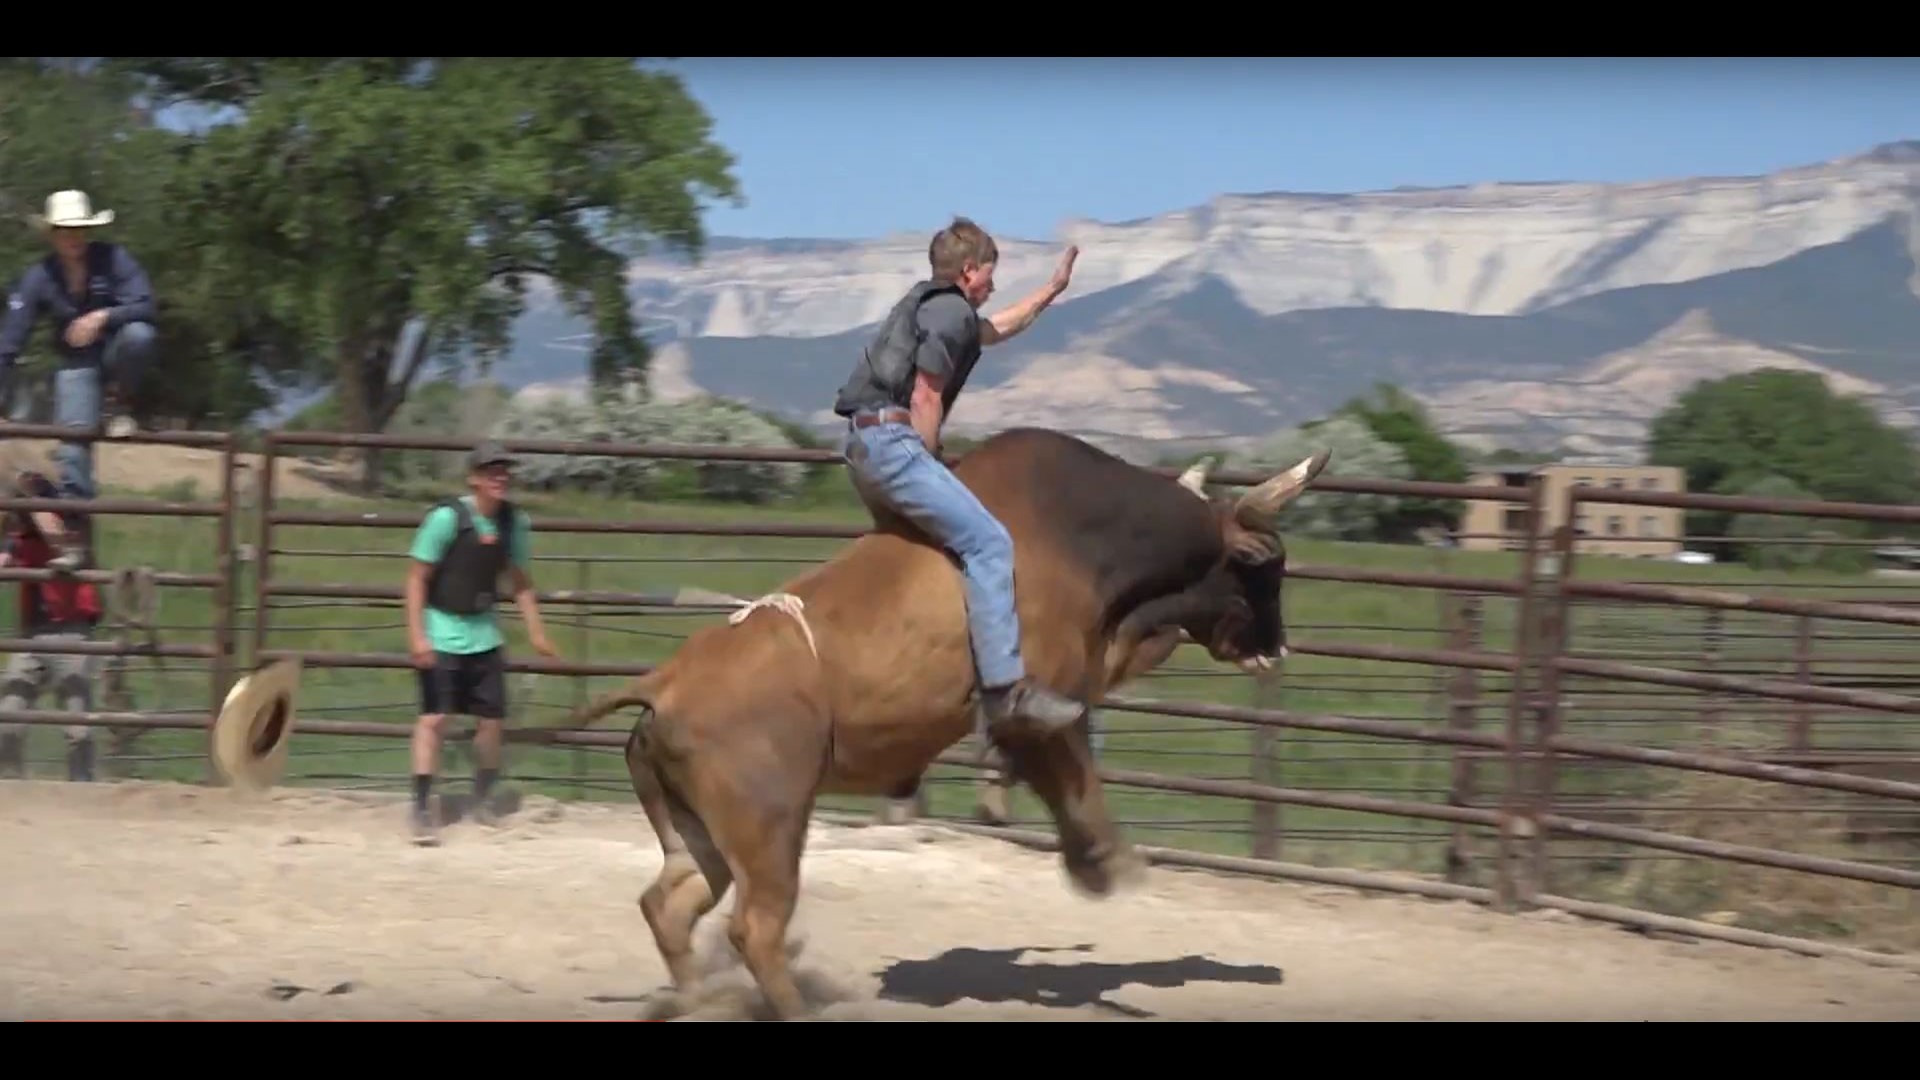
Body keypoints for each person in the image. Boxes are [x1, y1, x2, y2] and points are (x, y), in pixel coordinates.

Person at [830, 216, 1084, 737]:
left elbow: (997, 329)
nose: (993, 285)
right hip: (893, 444)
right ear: (970, 271)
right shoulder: (950, 312)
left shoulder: (938, 306)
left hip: (865, 445)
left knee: (917, 561)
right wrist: (927, 459)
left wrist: (1052, 291)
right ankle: (1004, 693)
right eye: (991, 274)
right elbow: (926, 394)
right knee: (990, 545)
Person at [402, 442, 557, 845]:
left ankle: (483, 797)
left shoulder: (512, 523)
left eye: (504, 471)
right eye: (491, 471)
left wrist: (537, 632)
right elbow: (417, 577)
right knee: (435, 719)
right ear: (474, 477)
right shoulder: (446, 519)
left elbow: (519, 581)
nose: (500, 477)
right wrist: (418, 636)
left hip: (484, 632)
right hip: (441, 628)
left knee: (491, 723)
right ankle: (420, 806)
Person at [0, 190, 159, 571]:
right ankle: (73, 537)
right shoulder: (39, 277)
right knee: (73, 446)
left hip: (114, 349)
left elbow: (147, 305)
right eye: (65, 230)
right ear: (52, 233)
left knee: (140, 335)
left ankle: (120, 404)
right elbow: (9, 341)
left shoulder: (114, 258)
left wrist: (101, 316)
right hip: (77, 364)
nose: (74, 237)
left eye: (80, 229)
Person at [0, 468, 104, 782]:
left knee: (77, 727)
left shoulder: (64, 519)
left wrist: (26, 499)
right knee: (8, 717)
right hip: (32, 635)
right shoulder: (16, 538)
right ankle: (10, 784)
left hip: (72, 630)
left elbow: (57, 536)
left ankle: (81, 788)